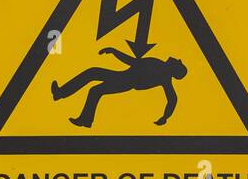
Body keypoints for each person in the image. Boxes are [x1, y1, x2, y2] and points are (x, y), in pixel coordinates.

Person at [52, 42, 188, 128]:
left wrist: (114, 51)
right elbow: (173, 98)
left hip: (124, 81)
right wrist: (165, 117)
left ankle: (82, 117)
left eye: (178, 63)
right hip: (123, 77)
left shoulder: (161, 71)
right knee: (93, 77)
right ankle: (70, 103)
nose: (177, 59)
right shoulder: (163, 73)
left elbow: (133, 62)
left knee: (95, 88)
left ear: (174, 69)